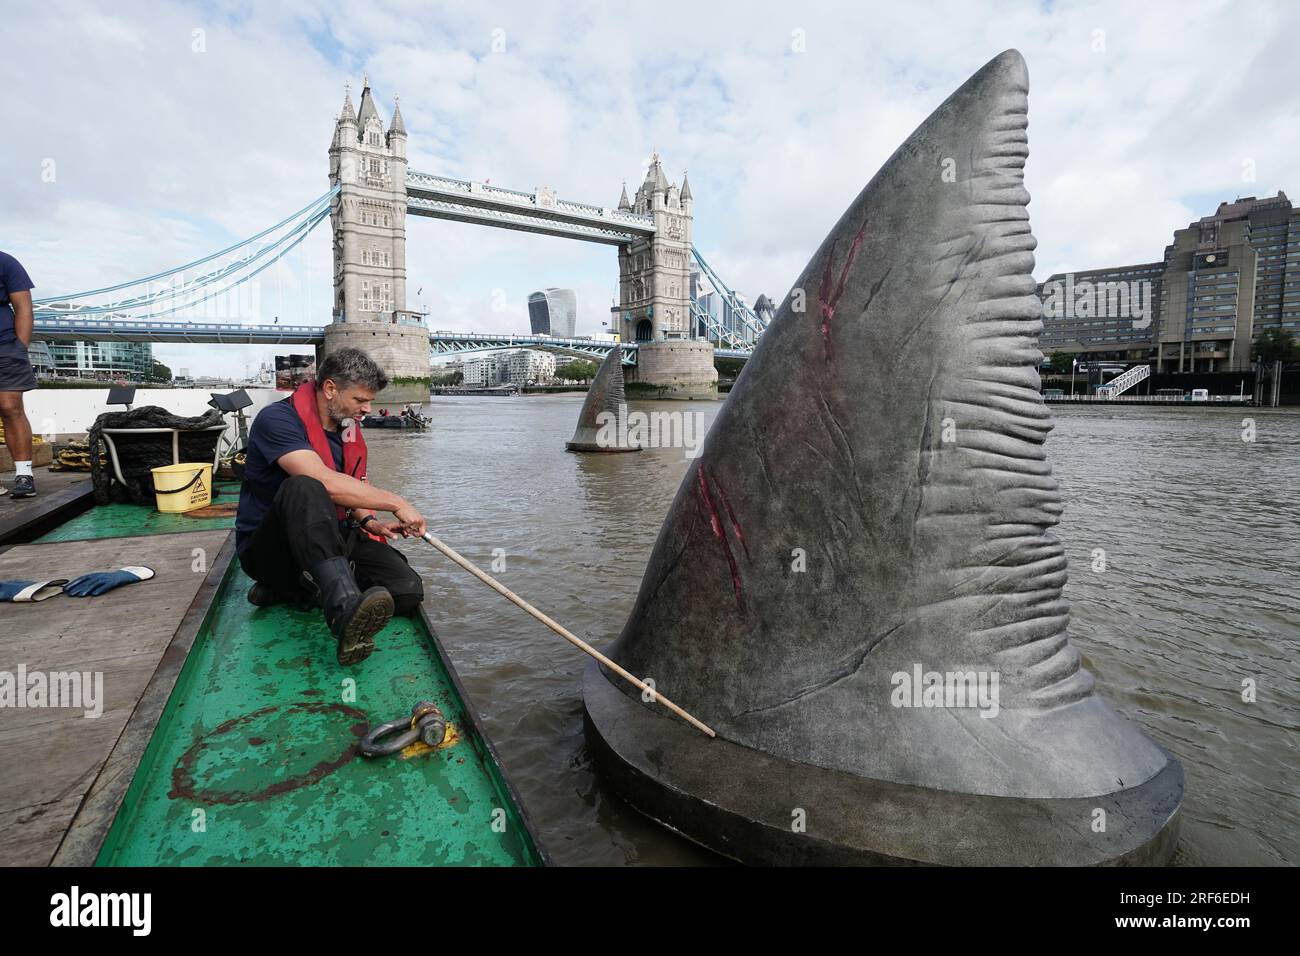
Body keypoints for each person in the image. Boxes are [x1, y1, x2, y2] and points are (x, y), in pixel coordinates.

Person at [235, 347, 427, 665]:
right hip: (273, 549)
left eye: (370, 401)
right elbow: (323, 482)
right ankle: (342, 612)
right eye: (360, 400)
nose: (367, 409)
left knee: (406, 589)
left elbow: (353, 485)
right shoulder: (278, 420)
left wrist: (369, 522)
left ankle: (293, 591)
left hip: (328, 535)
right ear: (329, 389)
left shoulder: (346, 429)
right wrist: (397, 502)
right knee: (304, 486)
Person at [0, 250, 37, 499]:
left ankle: (24, 475)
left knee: (10, 406)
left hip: (4, 346)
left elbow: (23, 306)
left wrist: (19, 346)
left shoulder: (5, 262)